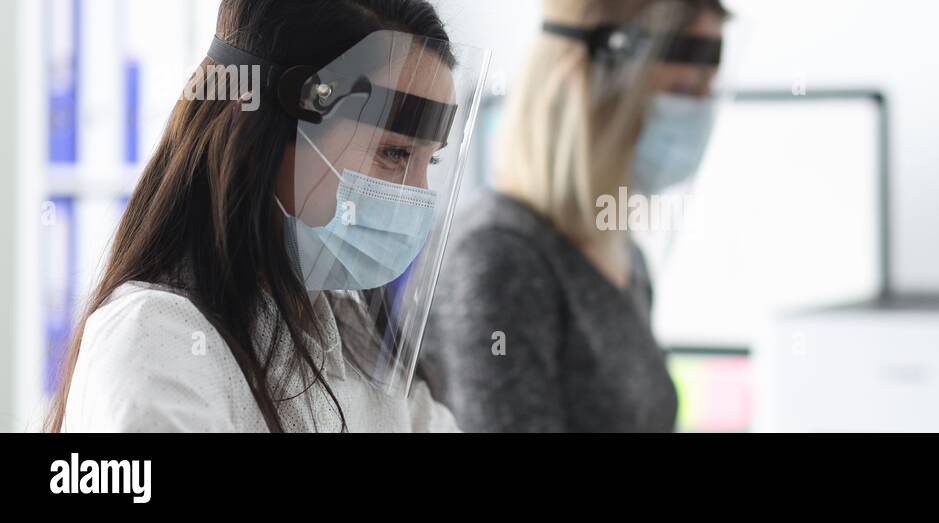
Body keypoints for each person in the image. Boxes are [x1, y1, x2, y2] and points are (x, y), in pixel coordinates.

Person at [46, 0, 490, 432]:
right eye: (393, 153)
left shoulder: (350, 335)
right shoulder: (157, 342)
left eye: (429, 163)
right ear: (266, 136)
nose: (417, 196)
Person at [426, 0, 728, 432]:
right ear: (589, 85)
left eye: (708, 91)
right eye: (683, 91)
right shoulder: (498, 257)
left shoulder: (622, 254)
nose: (702, 114)